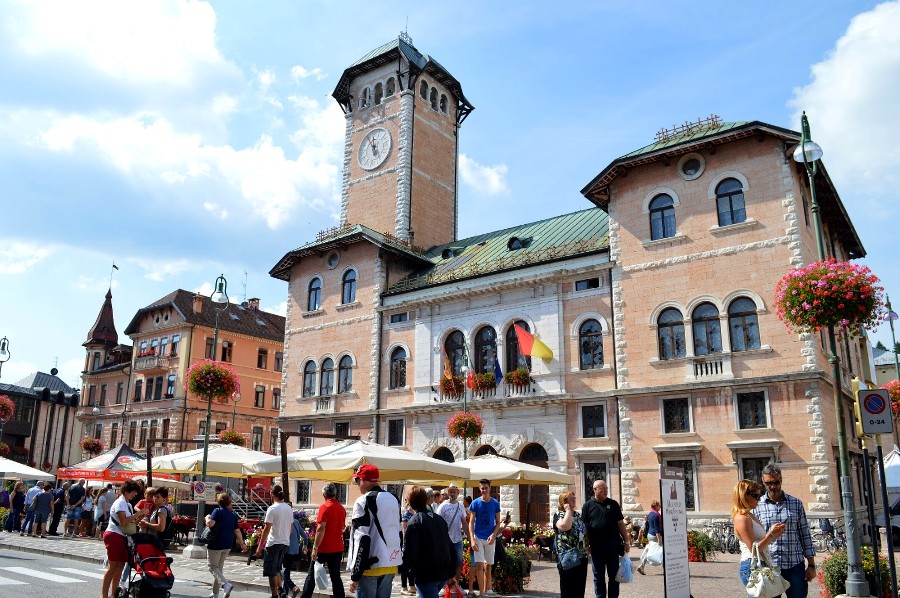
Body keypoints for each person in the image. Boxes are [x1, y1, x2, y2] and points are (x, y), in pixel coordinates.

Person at [753, 464, 816, 597]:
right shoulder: (757, 507)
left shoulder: (796, 503)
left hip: (794, 567)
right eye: (769, 483)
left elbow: (805, 535)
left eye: (776, 482)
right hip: (770, 568)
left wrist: (811, 565)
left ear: (781, 480)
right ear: (763, 482)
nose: (773, 486)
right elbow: (754, 540)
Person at [348, 464, 402, 598]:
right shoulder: (394, 498)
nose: (357, 484)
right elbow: (399, 531)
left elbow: (361, 538)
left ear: (365, 481)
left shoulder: (363, 500)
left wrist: (356, 573)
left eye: (358, 480)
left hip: (371, 565)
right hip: (390, 563)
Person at [401, 486, 459, 598]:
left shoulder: (414, 522)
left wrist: (399, 568)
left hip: (426, 574)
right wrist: (451, 573)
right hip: (442, 573)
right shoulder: (439, 519)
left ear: (411, 502)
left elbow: (410, 552)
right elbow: (450, 548)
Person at [733, 478, 784, 594]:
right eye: (755, 496)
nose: (759, 499)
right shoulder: (742, 518)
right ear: (744, 496)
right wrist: (771, 535)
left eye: (759, 495)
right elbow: (753, 549)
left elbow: (761, 542)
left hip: (761, 563)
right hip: (752, 565)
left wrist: (774, 533)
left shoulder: (749, 515)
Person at [581, 479, 630, 598]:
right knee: (598, 575)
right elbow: (585, 528)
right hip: (596, 547)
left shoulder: (613, 504)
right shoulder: (587, 506)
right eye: (602, 488)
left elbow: (620, 524)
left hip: (613, 546)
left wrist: (626, 541)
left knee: (614, 575)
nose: (605, 490)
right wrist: (586, 544)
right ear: (594, 490)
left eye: (606, 488)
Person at [299, 482, 346, 598]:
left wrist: (315, 548)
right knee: (336, 577)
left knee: (312, 575)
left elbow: (321, 528)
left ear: (324, 495)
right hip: (337, 547)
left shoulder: (324, 507)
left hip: (324, 548)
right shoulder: (341, 509)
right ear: (335, 494)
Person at [103, 480, 147, 598]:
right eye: (134, 492)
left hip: (123, 536)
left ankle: (113, 594)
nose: (135, 495)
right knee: (112, 567)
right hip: (114, 534)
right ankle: (104, 595)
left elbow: (129, 523)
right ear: (127, 491)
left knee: (120, 566)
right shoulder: (120, 503)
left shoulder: (127, 504)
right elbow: (123, 521)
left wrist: (139, 518)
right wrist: (139, 513)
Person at [206, 492, 248, 598]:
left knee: (212, 567)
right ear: (228, 502)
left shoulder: (217, 511)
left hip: (216, 544)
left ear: (219, 502)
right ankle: (215, 593)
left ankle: (226, 584)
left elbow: (210, 524)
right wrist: (242, 544)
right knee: (218, 569)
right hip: (228, 545)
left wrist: (207, 518)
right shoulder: (232, 515)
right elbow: (237, 531)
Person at [256, 484, 294, 598]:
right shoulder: (288, 508)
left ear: (272, 494)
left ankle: (274, 595)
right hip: (284, 542)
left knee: (271, 571)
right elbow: (291, 526)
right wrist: (286, 536)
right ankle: (281, 590)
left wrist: (259, 547)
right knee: (277, 568)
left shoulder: (272, 509)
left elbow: (267, 529)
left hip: (273, 542)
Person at [468, 479, 502, 597]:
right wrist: (472, 539)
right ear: (479, 489)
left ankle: (488, 590)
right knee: (479, 565)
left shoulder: (495, 503)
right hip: (478, 537)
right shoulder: (475, 503)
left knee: (488, 565)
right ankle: (482, 593)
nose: (484, 490)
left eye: (486, 488)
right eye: (482, 488)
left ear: (490, 488)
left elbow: (498, 522)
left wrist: (493, 535)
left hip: (490, 538)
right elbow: (471, 523)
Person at [554, 490, 588, 598]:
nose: (574, 500)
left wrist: (588, 546)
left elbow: (584, 532)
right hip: (567, 556)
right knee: (567, 588)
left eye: (574, 498)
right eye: (571, 499)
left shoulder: (578, 515)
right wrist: (568, 510)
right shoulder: (559, 515)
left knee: (579, 589)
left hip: (581, 555)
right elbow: (565, 526)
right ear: (564, 502)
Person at [435, 483, 466, 583]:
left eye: (454, 492)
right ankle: (445, 584)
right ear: (448, 493)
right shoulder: (443, 506)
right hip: (445, 539)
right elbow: (437, 522)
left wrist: (470, 537)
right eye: (450, 492)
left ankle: (456, 583)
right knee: (446, 562)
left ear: (457, 493)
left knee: (459, 562)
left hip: (457, 539)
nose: (452, 494)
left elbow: (464, 522)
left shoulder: (460, 506)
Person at [282, 509, 309, 598]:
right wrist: (305, 545)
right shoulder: (296, 521)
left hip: (286, 550)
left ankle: (293, 587)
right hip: (295, 551)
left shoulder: (284, 523)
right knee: (286, 571)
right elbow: (305, 536)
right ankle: (284, 593)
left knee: (281, 572)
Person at [637, 499, 663, 575]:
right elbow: (656, 528)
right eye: (659, 506)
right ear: (656, 506)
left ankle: (641, 566)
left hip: (650, 534)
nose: (660, 507)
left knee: (649, 550)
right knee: (662, 550)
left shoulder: (651, 513)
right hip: (655, 536)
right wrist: (659, 539)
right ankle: (666, 569)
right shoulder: (656, 515)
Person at [400, 500, 418, 596]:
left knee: (413, 566)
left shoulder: (415, 513)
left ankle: (411, 585)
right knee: (405, 566)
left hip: (414, 543)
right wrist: (405, 543)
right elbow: (404, 530)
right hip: (407, 543)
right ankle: (404, 587)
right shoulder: (406, 514)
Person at [462, 495, 476, 597]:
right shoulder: (469, 514)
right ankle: (471, 589)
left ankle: (483, 589)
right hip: (474, 541)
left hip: (478, 540)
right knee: (473, 565)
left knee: (478, 566)